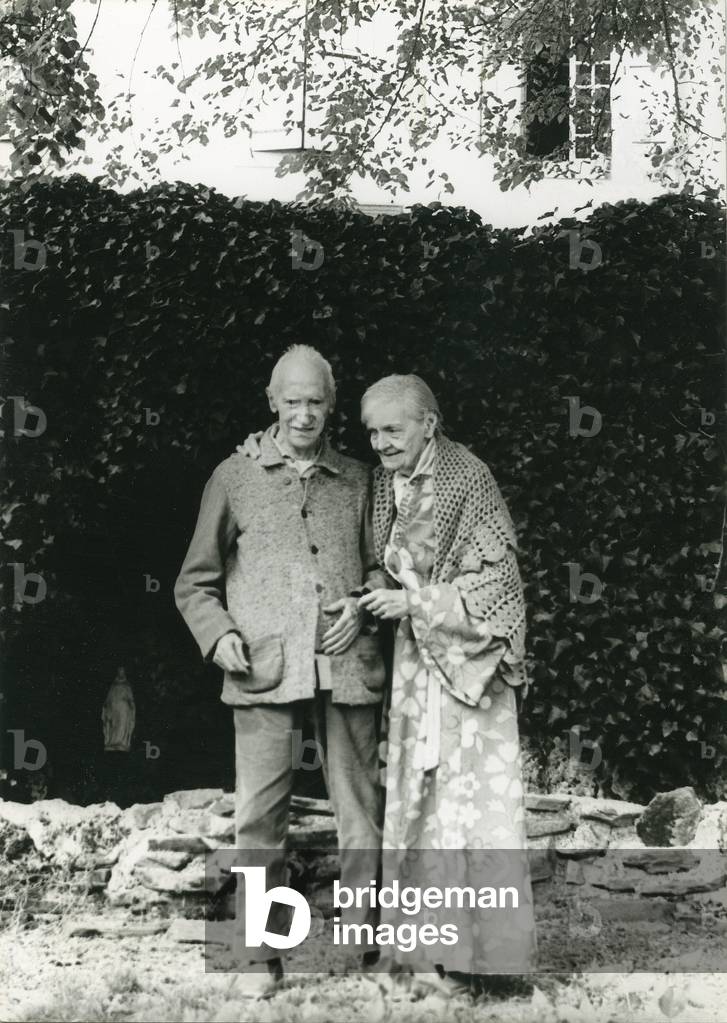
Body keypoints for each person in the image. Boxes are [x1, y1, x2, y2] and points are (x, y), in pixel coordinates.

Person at [174, 345, 387, 997]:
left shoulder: (359, 479)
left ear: (332, 403)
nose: (304, 414)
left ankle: (366, 948)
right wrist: (219, 637)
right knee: (260, 817)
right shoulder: (233, 476)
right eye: (292, 401)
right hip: (262, 666)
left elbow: (385, 566)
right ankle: (259, 956)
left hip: (347, 664)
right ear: (271, 401)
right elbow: (194, 582)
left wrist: (363, 605)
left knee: (361, 808)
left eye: (316, 402)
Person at [357, 373, 536, 994]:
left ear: (428, 424)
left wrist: (414, 605)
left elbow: (497, 587)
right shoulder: (387, 484)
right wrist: (383, 601)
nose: (380, 442)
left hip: (471, 678)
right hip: (415, 672)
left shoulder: (469, 479)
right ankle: (424, 958)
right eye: (372, 431)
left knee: (467, 813)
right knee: (420, 805)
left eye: (393, 429)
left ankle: (481, 963)